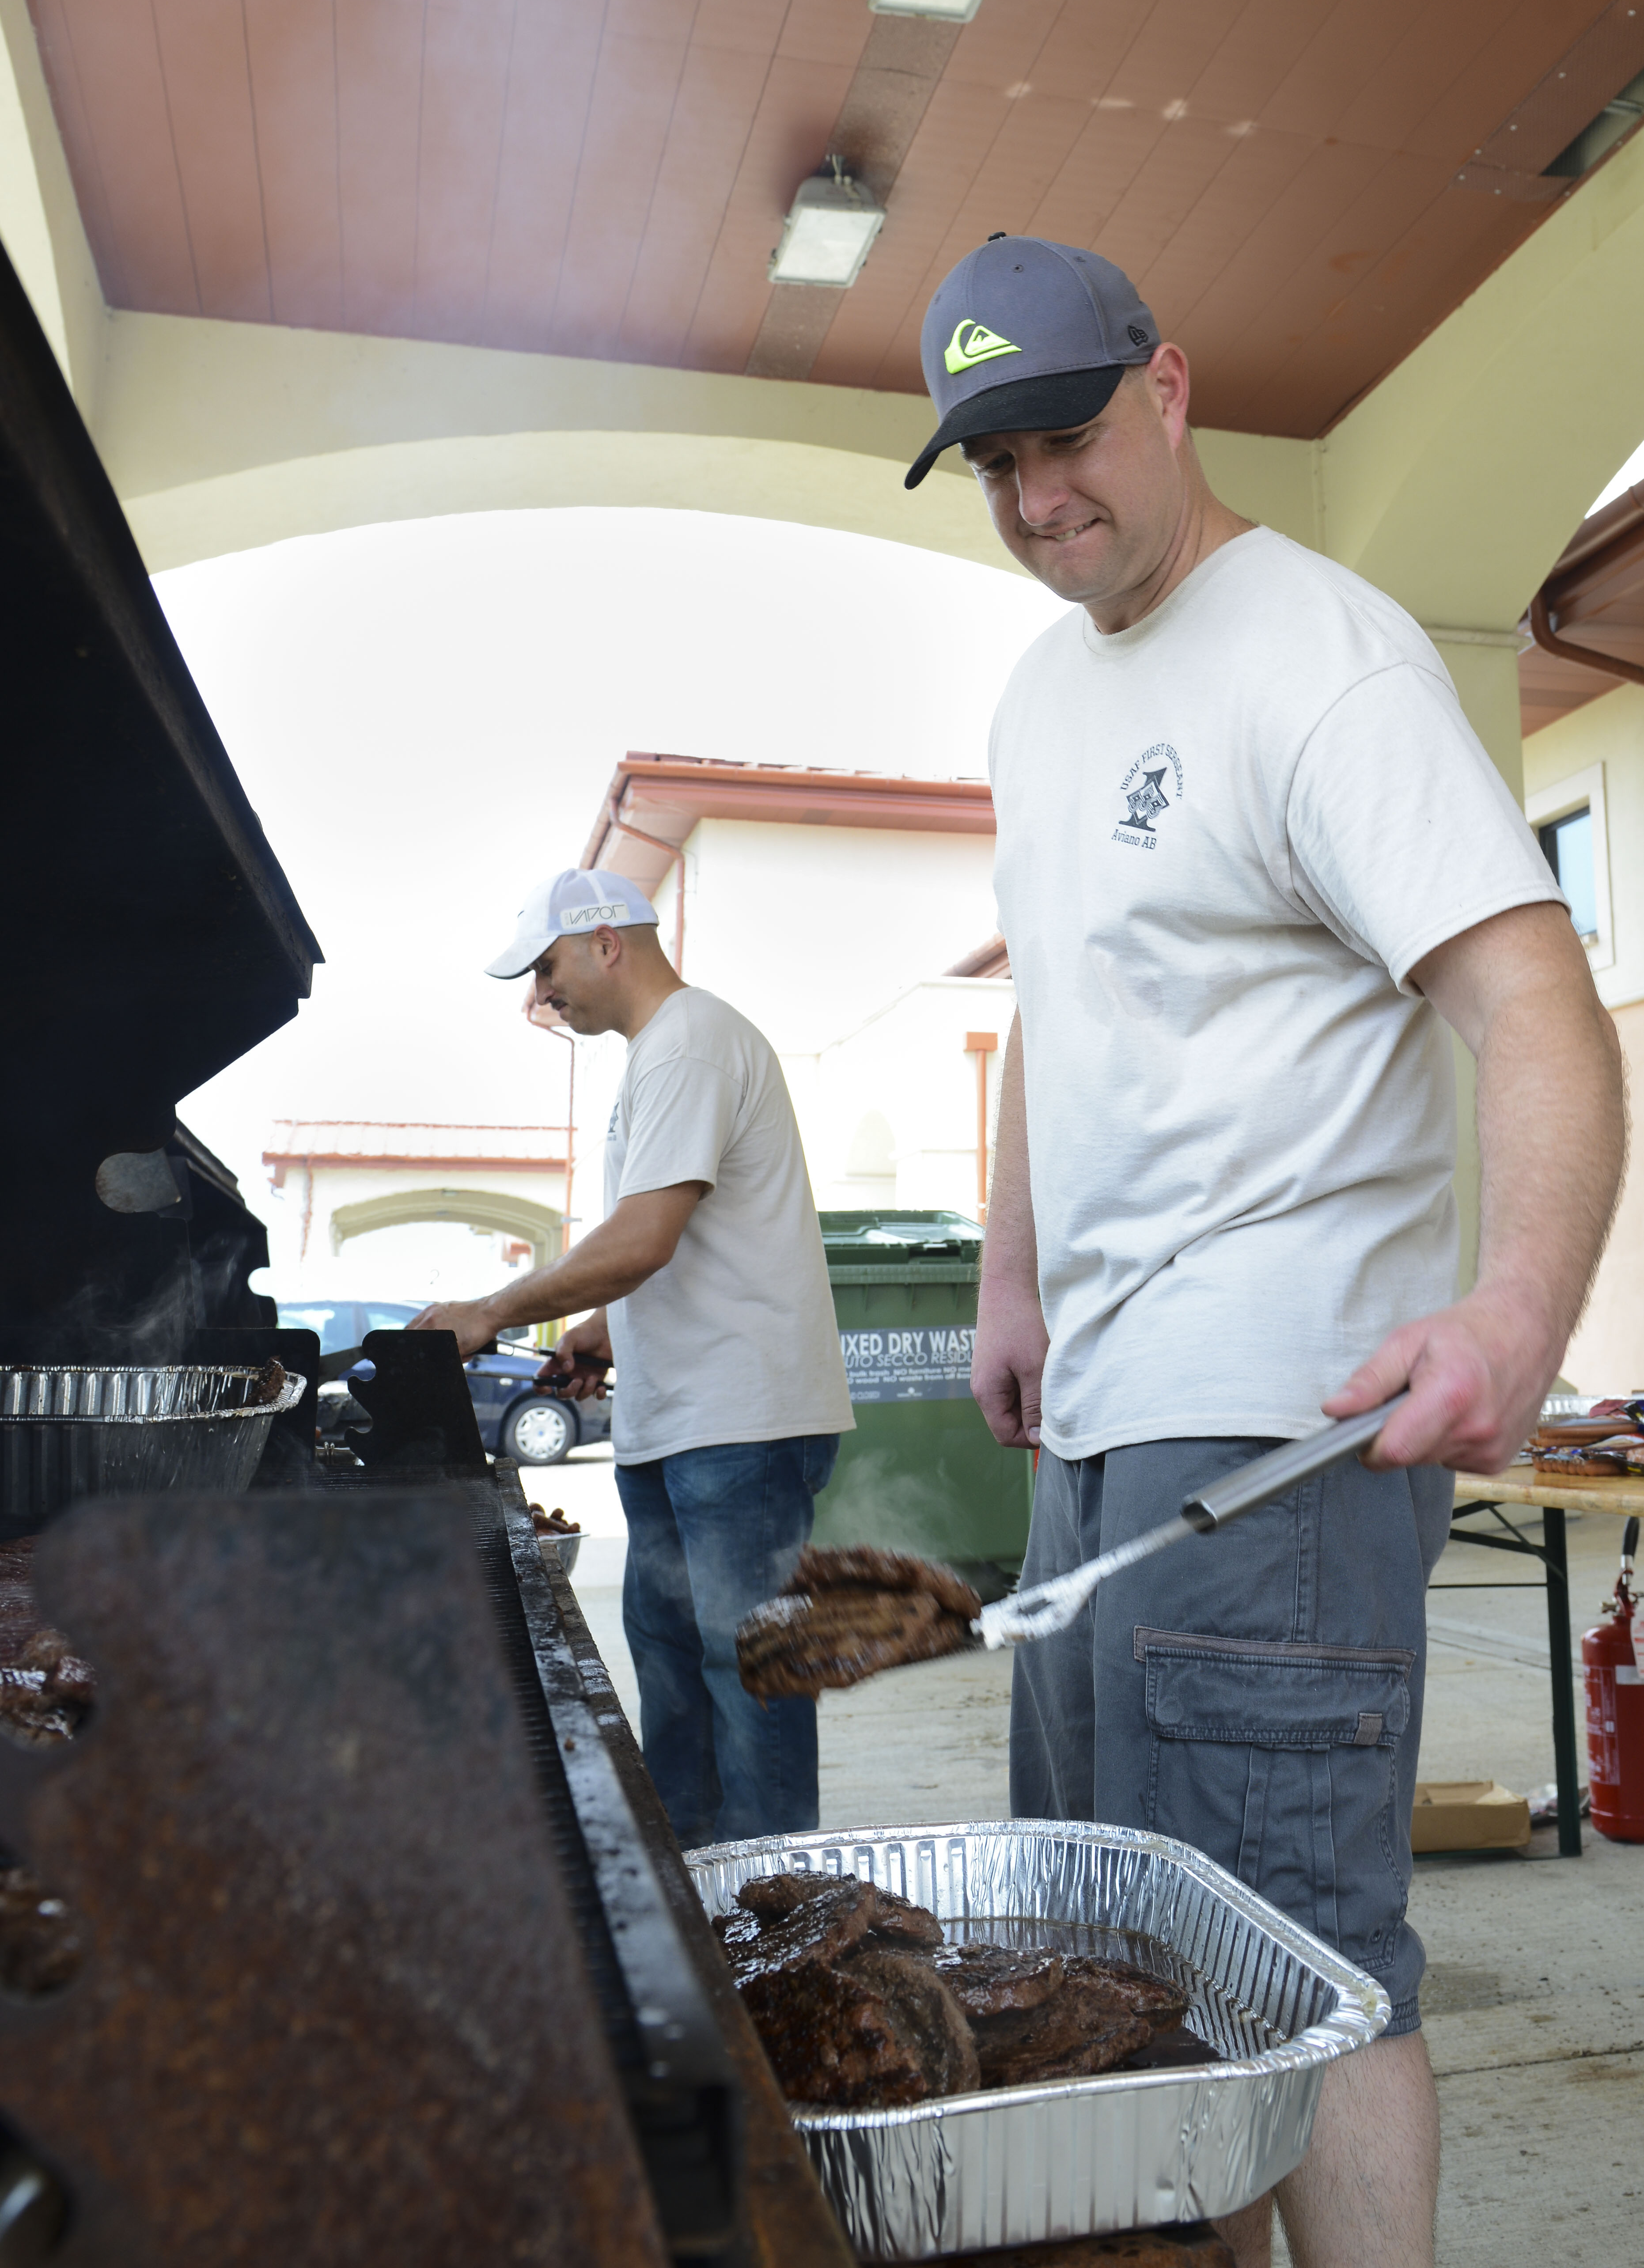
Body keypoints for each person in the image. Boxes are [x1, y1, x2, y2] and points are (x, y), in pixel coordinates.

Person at [905, 237, 1625, 2268]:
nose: (1036, 496)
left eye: (1060, 436)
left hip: (1283, 1423)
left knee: (1297, 1958)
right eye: (990, 466)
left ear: (1166, 388)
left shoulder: (1319, 656)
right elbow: (1056, 1005)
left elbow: (1527, 1002)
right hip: (1104, 1426)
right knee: (1119, 1954)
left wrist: (1510, 1311)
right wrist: (1007, 1279)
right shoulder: (1040, 698)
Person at [411, 866, 853, 1848]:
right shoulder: (663, 1053)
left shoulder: (690, 1044)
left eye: (549, 965)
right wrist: (605, 1326)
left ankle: (777, 1910)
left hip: (740, 1421)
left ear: (608, 938)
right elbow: (686, 1236)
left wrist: (491, 1309)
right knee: (671, 1658)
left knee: (750, 1673)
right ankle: (696, 1889)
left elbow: (645, 1235)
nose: (542, 993)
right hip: (682, 1416)